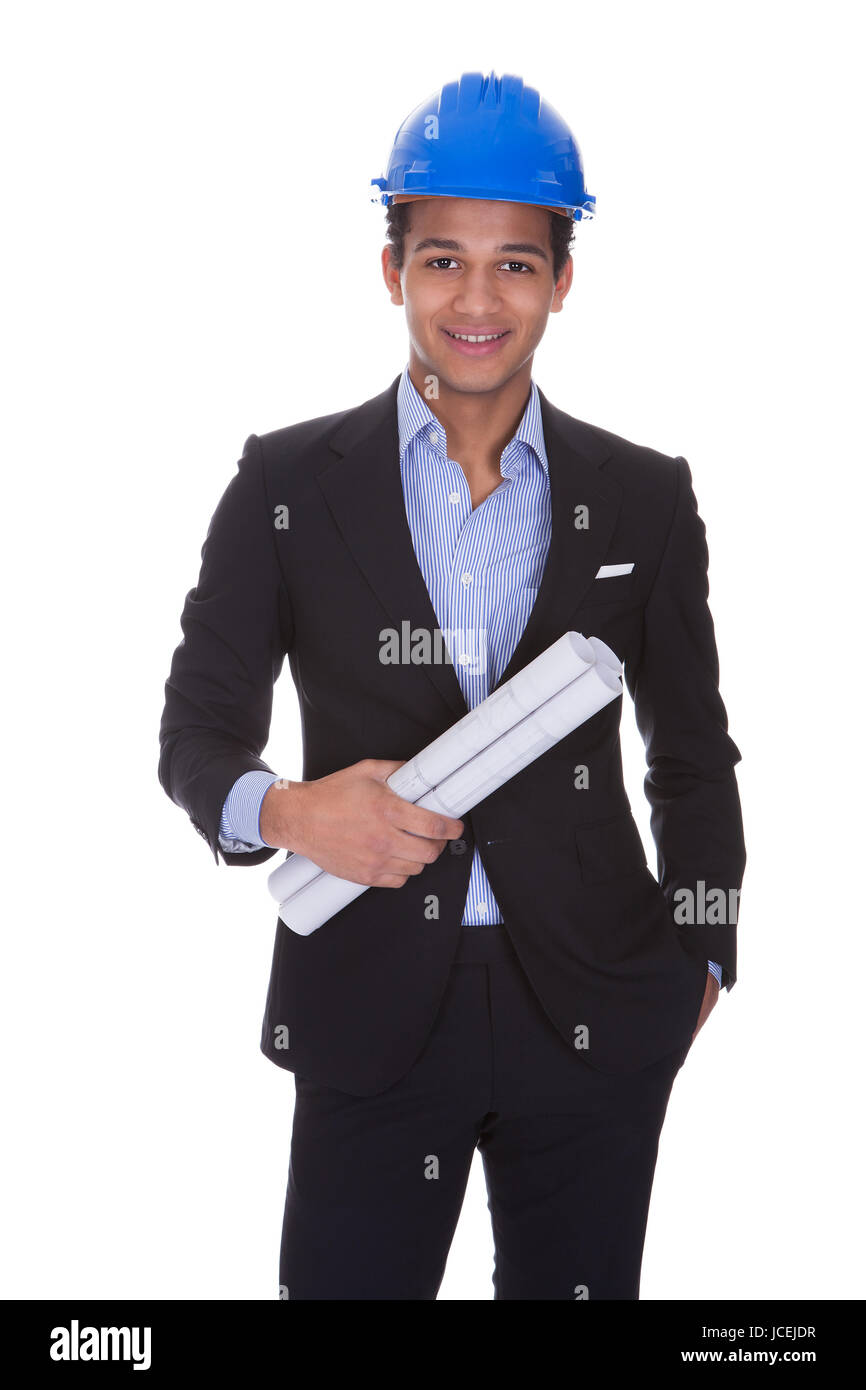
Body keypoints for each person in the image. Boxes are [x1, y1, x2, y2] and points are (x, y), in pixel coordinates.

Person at [158, 70, 746, 1300]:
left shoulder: (641, 495)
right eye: (440, 260)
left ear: (561, 279)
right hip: (371, 1013)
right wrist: (289, 810)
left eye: (515, 264)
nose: (475, 301)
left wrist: (701, 956)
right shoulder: (288, 484)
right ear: (391, 272)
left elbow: (690, 754)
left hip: (590, 1004)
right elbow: (197, 731)